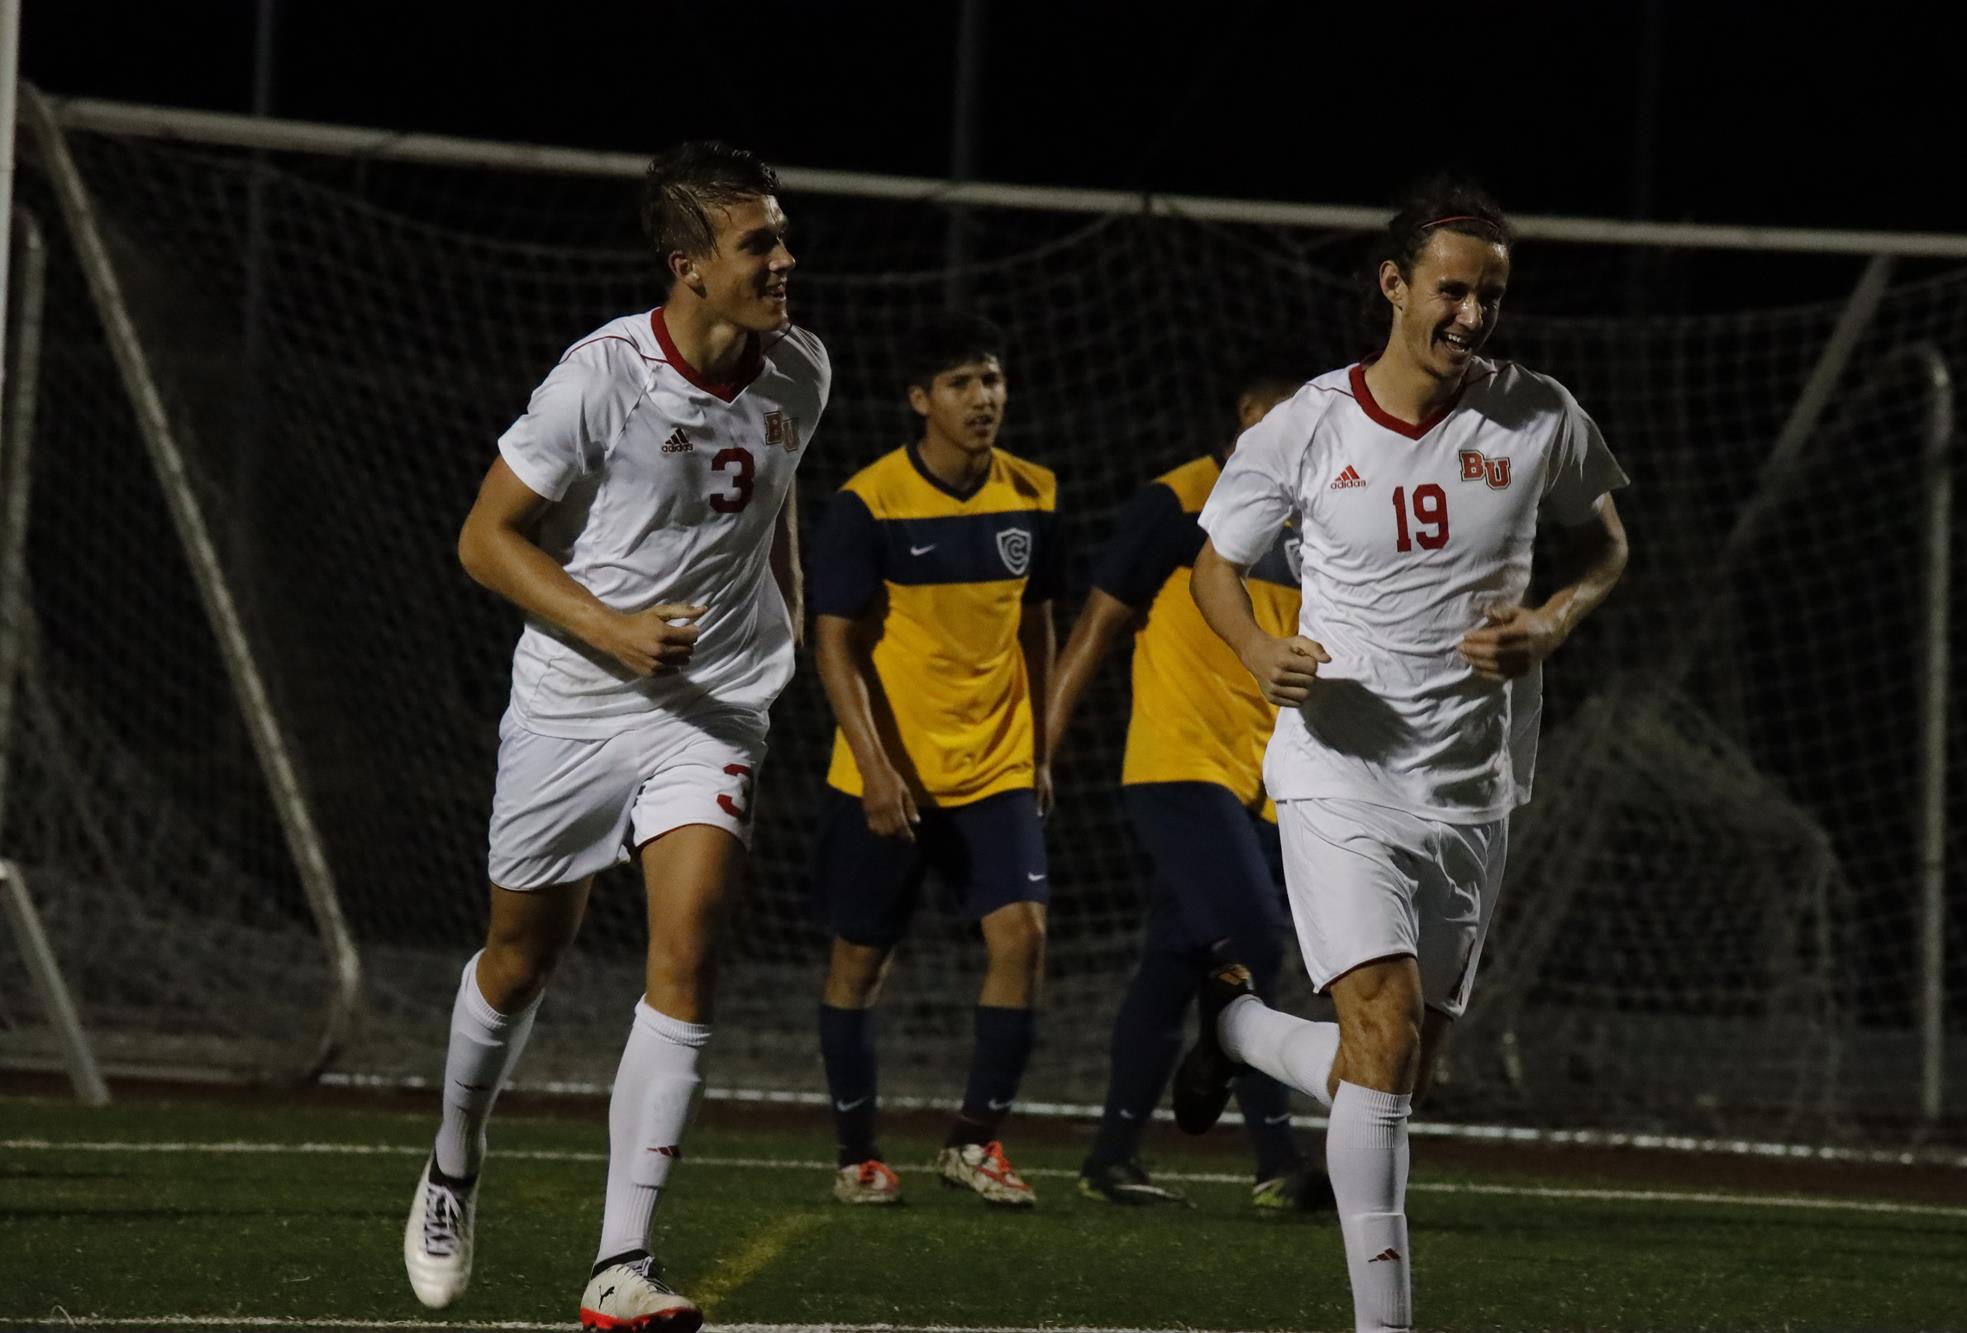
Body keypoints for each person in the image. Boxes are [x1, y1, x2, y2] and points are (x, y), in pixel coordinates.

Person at [1173, 178, 1629, 1333]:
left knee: (1402, 1066)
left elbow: (1607, 544)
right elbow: (1214, 565)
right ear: (1392, 285)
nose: (1469, 315)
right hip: (1336, 775)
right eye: (1449, 289)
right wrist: (1252, 645)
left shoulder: (1539, 415)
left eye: (1488, 295)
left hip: (1471, 785)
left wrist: (1553, 621)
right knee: (1377, 1034)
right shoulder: (1304, 425)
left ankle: (1235, 1027)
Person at [401, 141, 829, 1330]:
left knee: (687, 950)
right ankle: (451, 1161)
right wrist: (616, 628)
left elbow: (770, 509)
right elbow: (486, 538)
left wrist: (777, 641)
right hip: (575, 701)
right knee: (518, 959)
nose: (785, 260)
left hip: (713, 706)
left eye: (783, 237)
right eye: (760, 244)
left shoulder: (802, 365)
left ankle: (619, 1265)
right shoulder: (601, 377)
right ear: (688, 265)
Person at [1042, 354, 1333, 1210]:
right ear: (1248, 412)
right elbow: (1098, 624)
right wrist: (1042, 752)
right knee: (1258, 938)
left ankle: (1110, 1157)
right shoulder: (1177, 502)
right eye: (1289, 417)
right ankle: (1277, 1158)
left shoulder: (1316, 518)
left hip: (1268, 778)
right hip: (1180, 765)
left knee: (1171, 964)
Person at [806, 312, 1063, 1209]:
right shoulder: (869, 502)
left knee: (1022, 936)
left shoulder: (1035, 492)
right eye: (960, 383)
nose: (982, 397)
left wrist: (1037, 747)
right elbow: (830, 640)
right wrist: (876, 768)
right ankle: (858, 1153)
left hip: (993, 768)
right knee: (859, 965)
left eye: (990, 378)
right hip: (891, 779)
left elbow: (1036, 621)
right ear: (920, 401)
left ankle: (974, 1141)